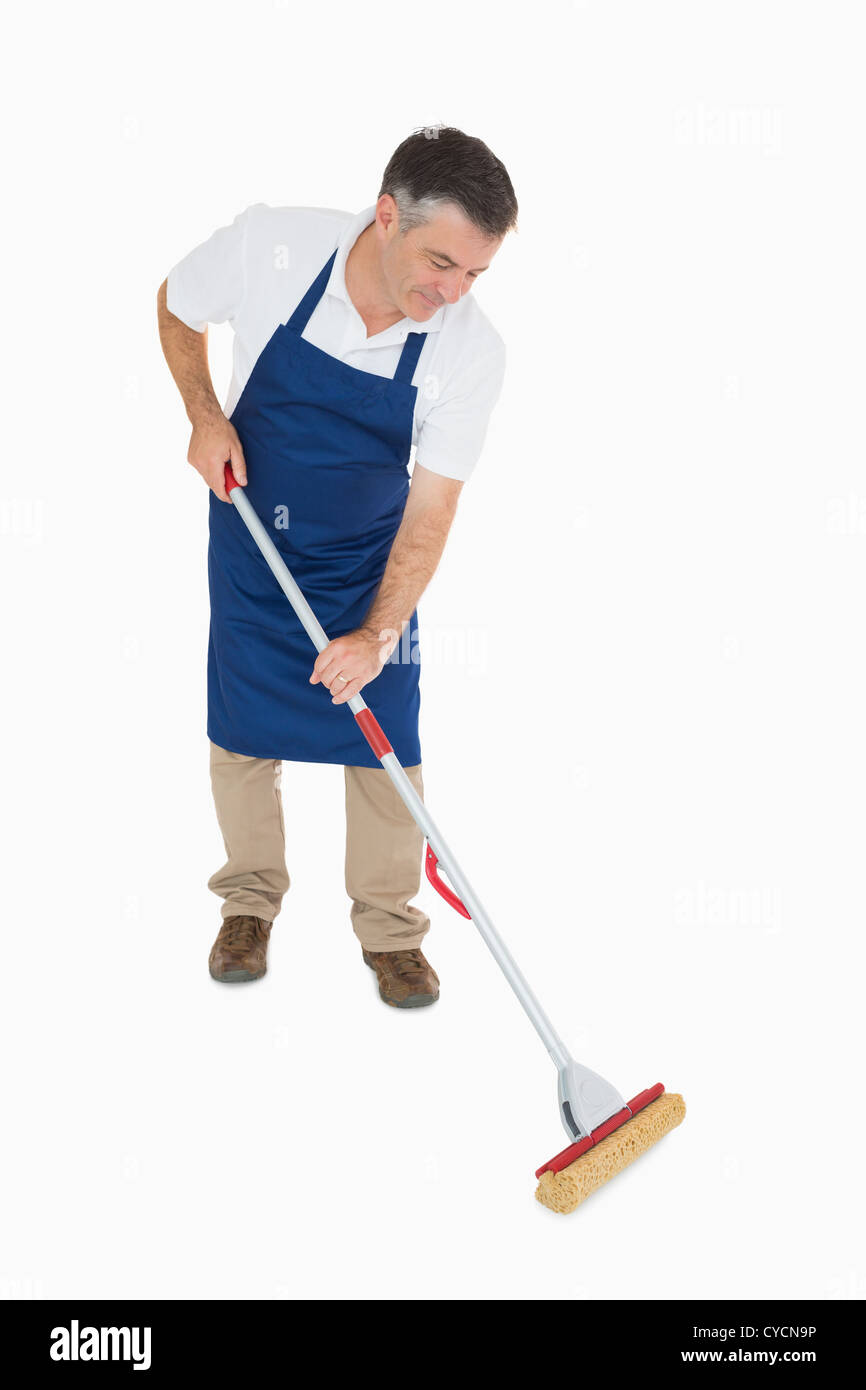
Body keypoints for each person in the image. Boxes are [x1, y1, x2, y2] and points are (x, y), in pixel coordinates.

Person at [157, 126, 516, 1006]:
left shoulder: (470, 349)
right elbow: (175, 303)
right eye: (441, 263)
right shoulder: (273, 248)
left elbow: (432, 510)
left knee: (386, 740)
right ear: (388, 216)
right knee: (241, 731)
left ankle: (391, 930)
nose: (453, 292)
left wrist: (377, 630)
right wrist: (207, 415)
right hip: (255, 537)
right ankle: (248, 902)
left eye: (475, 274)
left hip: (372, 562)